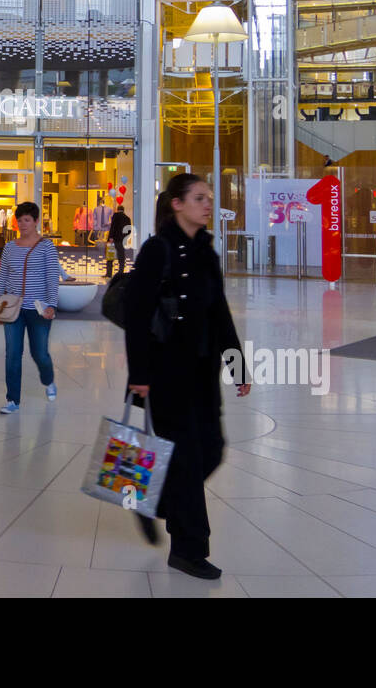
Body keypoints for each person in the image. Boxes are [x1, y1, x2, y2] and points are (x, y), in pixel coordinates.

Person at [121, 174, 249, 579]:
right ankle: (190, 549)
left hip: (203, 374)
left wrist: (237, 364)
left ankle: (156, 499)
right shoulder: (157, 251)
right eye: (199, 198)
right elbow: (136, 316)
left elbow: (220, 314)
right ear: (177, 203)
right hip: (166, 375)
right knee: (190, 458)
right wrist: (139, 374)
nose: (207, 204)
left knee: (212, 448)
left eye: (208, 198)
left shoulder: (207, 253)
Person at [0, 201, 60, 414]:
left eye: (27, 220)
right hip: (13, 308)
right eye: (19, 220)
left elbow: (52, 277)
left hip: (39, 308)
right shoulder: (10, 247)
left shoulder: (46, 246)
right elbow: (3, 276)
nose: (22, 224)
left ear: (35, 222)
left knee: (39, 353)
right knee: (12, 353)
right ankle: (12, 399)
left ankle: (48, 380)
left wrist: (52, 304)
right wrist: (0, 304)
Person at [107, 203, 131, 277]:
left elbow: (113, 227)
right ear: (123, 211)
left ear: (118, 210)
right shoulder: (127, 218)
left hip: (114, 239)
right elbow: (129, 231)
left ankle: (109, 274)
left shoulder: (115, 216)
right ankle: (121, 273)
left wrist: (110, 237)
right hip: (121, 240)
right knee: (121, 257)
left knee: (110, 257)